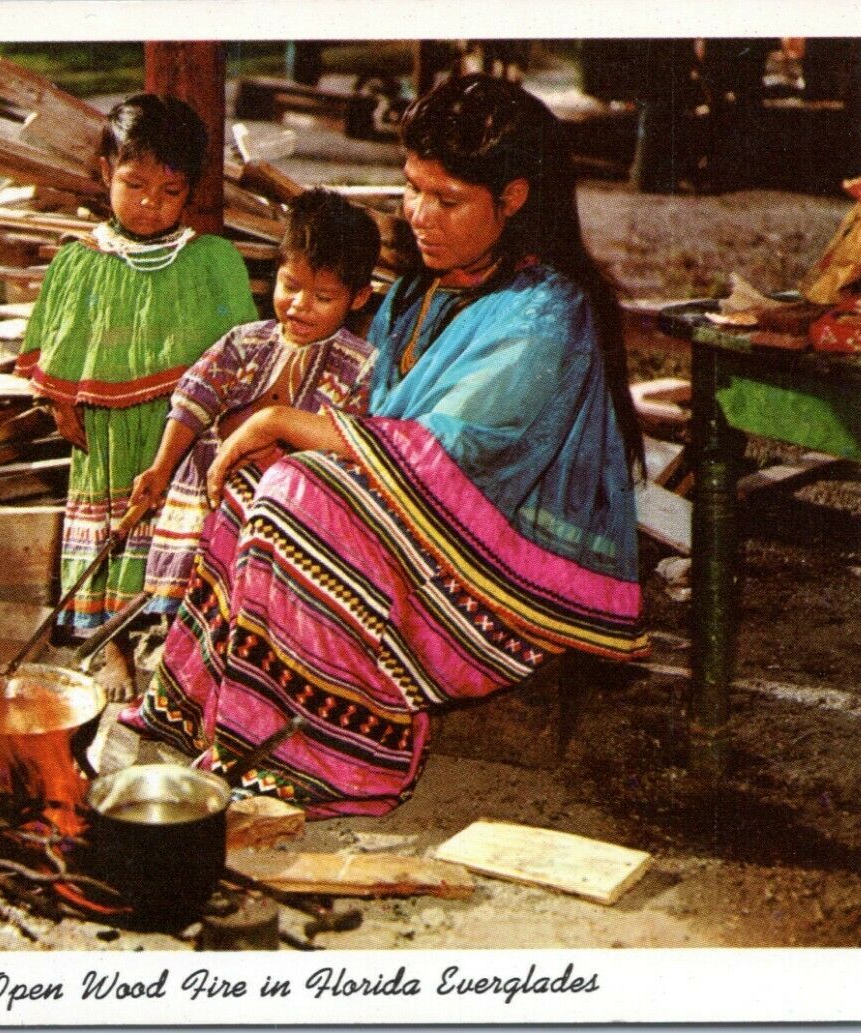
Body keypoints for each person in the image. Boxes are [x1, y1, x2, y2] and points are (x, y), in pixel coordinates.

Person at [128, 75, 651, 819]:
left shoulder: (547, 312)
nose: (420, 216)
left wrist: (281, 425)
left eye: (448, 200)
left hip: (499, 569)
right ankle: (219, 715)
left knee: (291, 489)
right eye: (412, 189)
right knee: (254, 482)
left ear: (514, 198)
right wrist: (275, 434)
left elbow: (448, 453)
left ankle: (322, 754)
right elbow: (369, 435)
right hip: (420, 532)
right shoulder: (417, 291)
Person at [16, 94, 256, 635]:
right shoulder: (80, 262)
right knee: (109, 526)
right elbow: (58, 339)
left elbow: (240, 352)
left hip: (187, 433)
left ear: (190, 190)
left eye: (170, 191)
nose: (151, 203)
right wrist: (58, 403)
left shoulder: (212, 262)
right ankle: (111, 640)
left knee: (180, 531)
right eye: (135, 185)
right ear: (106, 174)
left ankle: (172, 632)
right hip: (107, 435)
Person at [130, 188, 381, 616]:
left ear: (357, 298)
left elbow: (343, 446)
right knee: (186, 591)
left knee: (242, 601)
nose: (300, 305)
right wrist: (161, 466)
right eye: (291, 286)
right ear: (276, 274)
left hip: (275, 505)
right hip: (202, 491)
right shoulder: (245, 342)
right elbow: (194, 400)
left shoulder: (358, 366)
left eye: (322, 297)